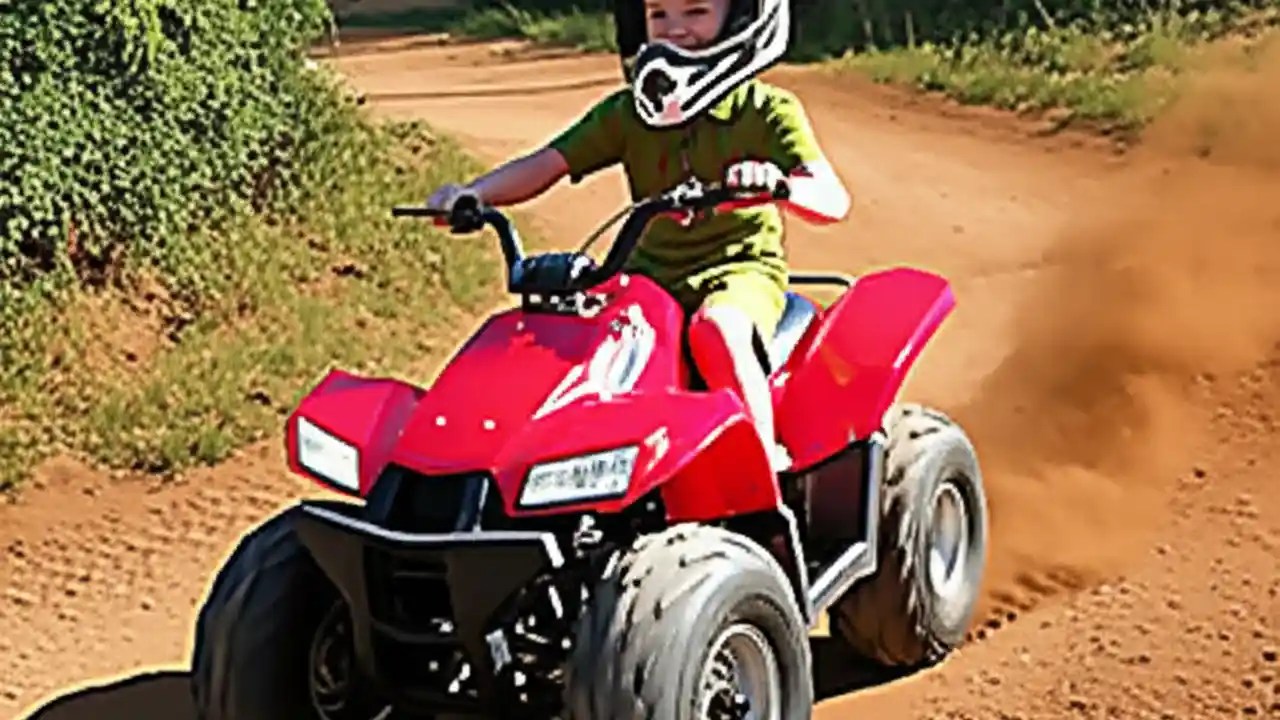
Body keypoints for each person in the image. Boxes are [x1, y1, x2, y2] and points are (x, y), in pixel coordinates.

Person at [426, 0, 851, 472]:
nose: (674, 29)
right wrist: (474, 193)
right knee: (566, 337)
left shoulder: (767, 109)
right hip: (645, 275)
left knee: (719, 330)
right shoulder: (629, 113)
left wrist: (780, 184)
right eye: (658, 15)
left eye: (695, 12)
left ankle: (759, 463)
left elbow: (832, 199)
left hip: (738, 271)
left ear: (742, 19)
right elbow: (547, 163)